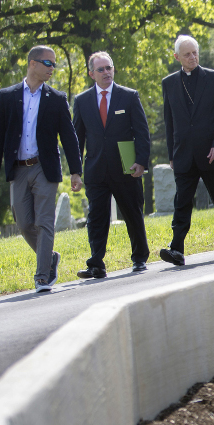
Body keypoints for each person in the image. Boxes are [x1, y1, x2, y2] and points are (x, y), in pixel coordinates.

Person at [0, 45, 83, 293]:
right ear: (32, 64)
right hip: (18, 169)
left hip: (44, 167)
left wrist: (75, 170)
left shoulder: (57, 98)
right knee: (23, 222)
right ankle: (49, 257)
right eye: (48, 63)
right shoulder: (7, 96)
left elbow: (69, 137)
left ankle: (42, 276)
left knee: (44, 222)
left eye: (54, 64)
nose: (53, 68)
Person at [72, 51, 151, 278]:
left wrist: (141, 162)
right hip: (96, 170)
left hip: (126, 167)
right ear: (91, 74)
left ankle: (139, 258)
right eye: (101, 69)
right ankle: (96, 263)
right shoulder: (82, 101)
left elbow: (142, 132)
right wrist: (75, 172)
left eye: (109, 68)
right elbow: (77, 139)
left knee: (133, 214)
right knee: (96, 217)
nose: (106, 72)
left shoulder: (129, 96)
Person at [159, 35, 214, 266]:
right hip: (183, 153)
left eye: (195, 53)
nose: (192, 57)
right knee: (182, 201)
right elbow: (169, 121)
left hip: (211, 151)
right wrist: (172, 154)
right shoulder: (169, 83)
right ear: (176, 57)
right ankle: (177, 249)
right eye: (187, 54)